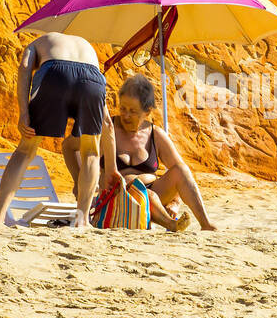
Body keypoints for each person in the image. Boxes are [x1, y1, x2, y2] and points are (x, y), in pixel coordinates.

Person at [64, 74, 216, 231]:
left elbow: (182, 176)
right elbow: (68, 146)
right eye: (122, 108)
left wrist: (175, 202)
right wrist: (77, 182)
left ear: (147, 112)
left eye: (133, 111)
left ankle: (206, 224)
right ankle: (171, 224)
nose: (126, 115)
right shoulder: (107, 130)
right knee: (145, 194)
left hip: (153, 192)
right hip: (115, 196)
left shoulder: (155, 134)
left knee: (181, 170)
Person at [0, 32, 106, 228]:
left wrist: (24, 112)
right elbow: (100, 88)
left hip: (55, 74)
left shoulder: (36, 43)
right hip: (93, 79)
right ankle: (82, 221)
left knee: (25, 150)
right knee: (91, 153)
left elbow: (25, 67)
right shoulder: (85, 44)